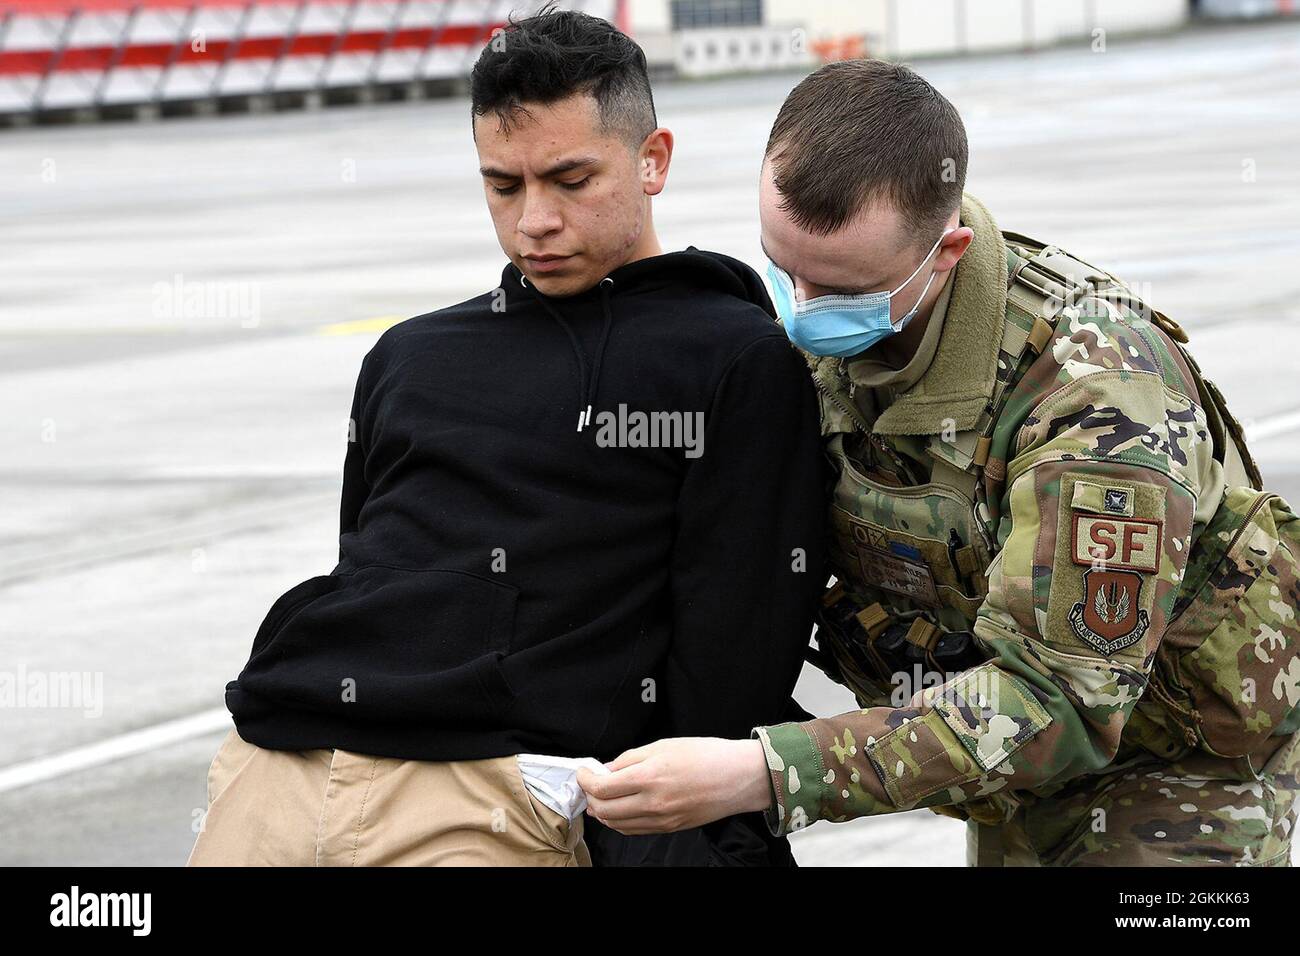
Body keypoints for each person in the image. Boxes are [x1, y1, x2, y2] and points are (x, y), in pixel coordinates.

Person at [579, 59, 1300, 866]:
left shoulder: (1100, 397)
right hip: (993, 759)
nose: (805, 312)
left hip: (1176, 764)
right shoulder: (828, 332)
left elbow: (1061, 700)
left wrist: (766, 772)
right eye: (785, 272)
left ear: (947, 250)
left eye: (843, 287)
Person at [188, 7, 824, 867]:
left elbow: (728, 668)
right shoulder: (407, 355)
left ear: (653, 160)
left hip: (486, 803)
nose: (534, 222)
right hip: (273, 767)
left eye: (569, 179)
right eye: (503, 185)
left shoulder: (733, 358)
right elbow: (366, 566)